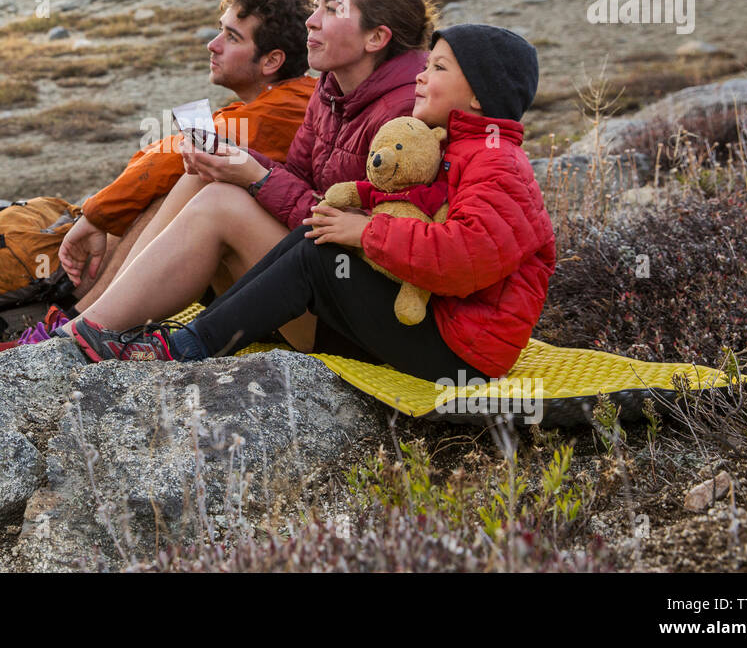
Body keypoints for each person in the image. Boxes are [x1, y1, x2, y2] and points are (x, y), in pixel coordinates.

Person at [80, 23, 557, 384]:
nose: (420, 77)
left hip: (461, 354)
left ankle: (184, 348)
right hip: (432, 326)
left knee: (321, 253)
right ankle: (186, 336)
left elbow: (465, 258)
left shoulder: (499, 163)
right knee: (316, 237)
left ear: (477, 93)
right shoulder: (451, 147)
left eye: (438, 68)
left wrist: (364, 233)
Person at [57, 0, 438, 359]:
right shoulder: (332, 88)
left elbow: (372, 237)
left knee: (223, 202)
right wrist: (238, 162)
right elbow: (298, 177)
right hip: (315, 285)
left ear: (376, 38)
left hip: (362, 320)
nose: (311, 21)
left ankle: (75, 342)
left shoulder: (406, 114)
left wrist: (256, 176)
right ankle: (94, 323)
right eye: (316, 4)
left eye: (332, 9)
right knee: (209, 178)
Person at [0, 0, 316, 358]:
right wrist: (102, 215)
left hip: (298, 304)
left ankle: (78, 331)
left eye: (232, 37)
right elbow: (167, 157)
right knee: (181, 181)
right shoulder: (276, 102)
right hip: (276, 282)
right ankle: (79, 323)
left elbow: (173, 157)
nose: (213, 45)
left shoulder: (288, 109)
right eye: (220, 31)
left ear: (271, 61)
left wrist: (96, 216)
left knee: (199, 176)